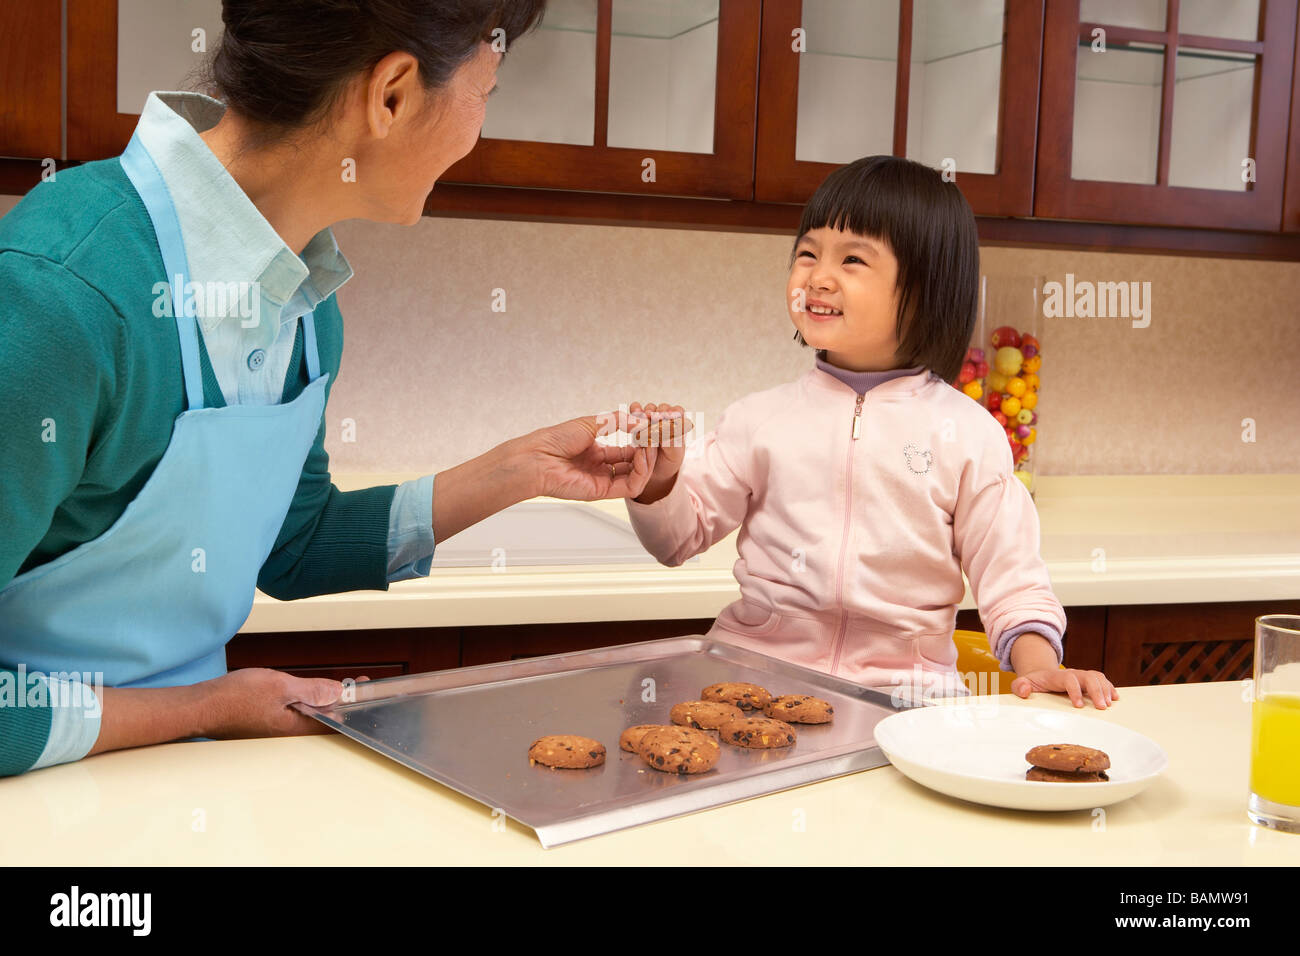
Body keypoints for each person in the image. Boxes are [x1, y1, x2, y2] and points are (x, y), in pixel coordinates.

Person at [0, 0, 672, 777]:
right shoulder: (64, 296)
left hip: (172, 781)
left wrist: (518, 472)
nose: (478, 131)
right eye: (485, 95)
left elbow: (293, 544)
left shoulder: (304, 300)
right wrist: (206, 707)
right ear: (391, 94)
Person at [622, 156, 1119, 709]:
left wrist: (1041, 668)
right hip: (751, 684)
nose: (818, 276)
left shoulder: (969, 435)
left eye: (853, 259)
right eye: (807, 253)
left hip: (908, 705)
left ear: (925, 288)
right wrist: (657, 485)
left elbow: (1014, 581)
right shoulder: (758, 419)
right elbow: (674, 542)